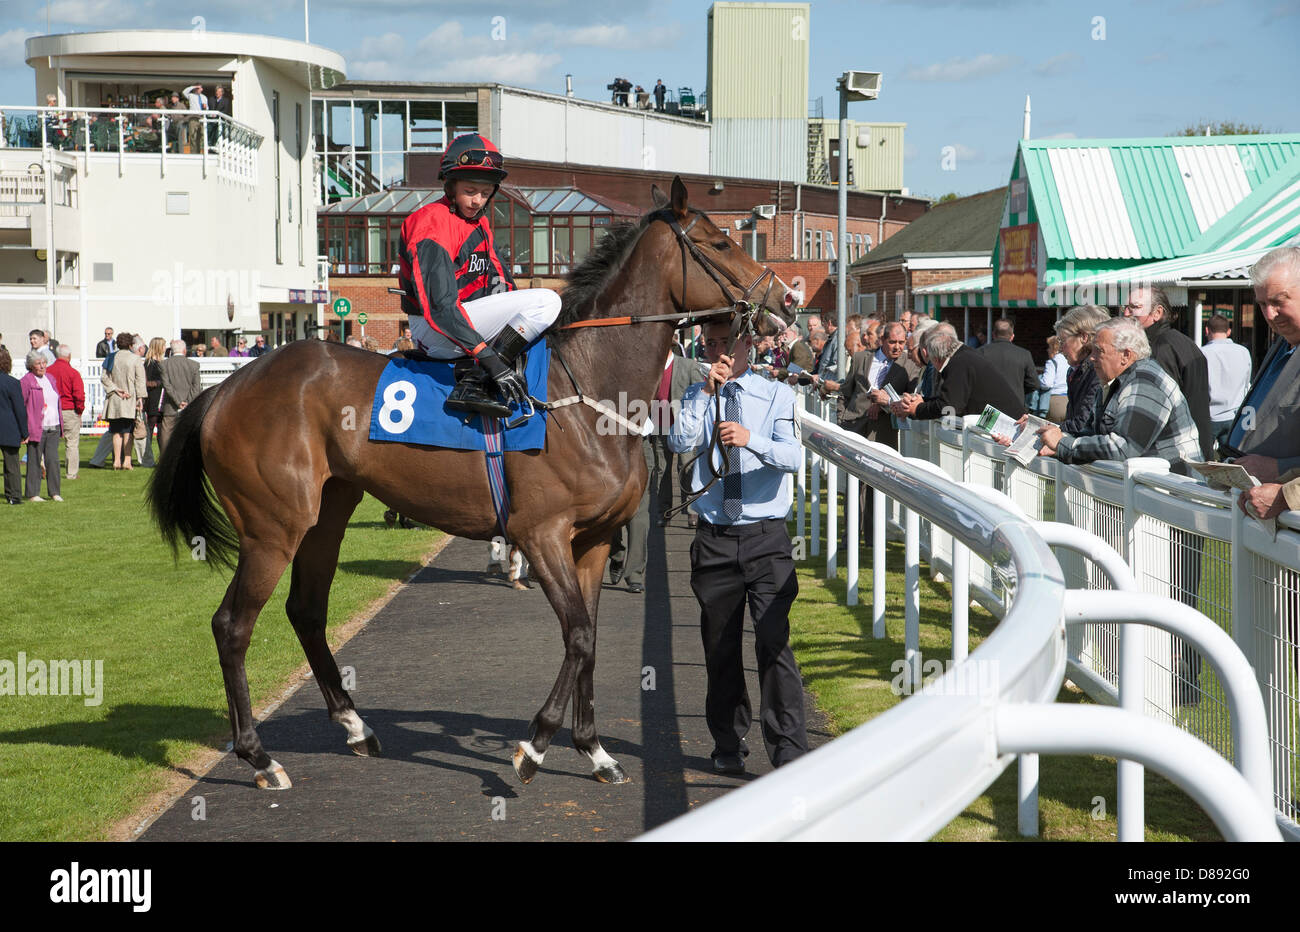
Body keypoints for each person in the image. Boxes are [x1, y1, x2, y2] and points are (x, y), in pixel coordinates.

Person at [668, 319, 807, 775]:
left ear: (746, 343)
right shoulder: (696, 395)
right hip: (715, 538)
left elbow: (794, 458)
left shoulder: (777, 395)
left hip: (766, 537)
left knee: (773, 641)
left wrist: (753, 440)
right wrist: (706, 394)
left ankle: (788, 750)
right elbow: (678, 440)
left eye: (723, 342)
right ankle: (727, 742)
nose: (715, 351)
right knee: (720, 646)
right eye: (708, 344)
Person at [398, 132, 560, 417]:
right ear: (450, 186)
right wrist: (491, 364)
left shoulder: (480, 224)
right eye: (470, 190)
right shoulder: (432, 223)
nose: (477, 200)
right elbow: (441, 310)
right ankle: (476, 382)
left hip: (462, 321)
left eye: (485, 193)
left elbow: (502, 283)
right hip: (435, 328)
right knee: (547, 301)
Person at [1035, 318, 1202, 474]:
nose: (1091, 357)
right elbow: (1095, 434)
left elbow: (1124, 448)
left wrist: (1062, 444)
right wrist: (1057, 438)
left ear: (1126, 355)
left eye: (1099, 351)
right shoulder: (1119, 381)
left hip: (1178, 494)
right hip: (1155, 492)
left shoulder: (1145, 382)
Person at [1226, 245, 1300, 485]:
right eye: (1262, 304)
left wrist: (1280, 469)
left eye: (1278, 301)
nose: (1269, 314)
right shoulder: (1283, 342)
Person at [834, 321, 912, 535]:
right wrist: (841, 418)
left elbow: (911, 397)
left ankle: (871, 536)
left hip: (883, 432)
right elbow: (846, 391)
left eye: (901, 342)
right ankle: (849, 534)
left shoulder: (909, 365)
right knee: (853, 483)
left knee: (876, 485)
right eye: (893, 342)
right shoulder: (861, 358)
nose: (897, 347)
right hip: (854, 427)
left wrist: (884, 404)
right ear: (882, 340)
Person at [1122, 285, 1214, 461]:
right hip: (1193, 447)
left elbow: (1155, 409)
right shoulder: (1182, 343)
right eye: (1125, 308)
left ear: (1157, 313)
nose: (1126, 313)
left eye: (1134, 307)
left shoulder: (1158, 348)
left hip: (1173, 455)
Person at [891, 323, 1027, 422]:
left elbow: (949, 407)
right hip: (999, 420)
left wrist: (917, 409)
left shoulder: (958, 363)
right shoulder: (963, 356)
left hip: (1009, 426)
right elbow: (951, 399)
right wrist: (922, 401)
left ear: (935, 358)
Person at [1054, 305, 1111, 437]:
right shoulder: (1076, 371)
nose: (1060, 349)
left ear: (1084, 338)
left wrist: (1045, 428)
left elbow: (1083, 424)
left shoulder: (1099, 371)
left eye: (1063, 341)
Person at [1200, 314, 1252, 458]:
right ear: (1228, 332)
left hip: (1210, 416)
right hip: (1235, 415)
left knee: (1203, 461)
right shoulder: (1243, 352)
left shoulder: (1202, 353)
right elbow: (1247, 384)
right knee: (1233, 463)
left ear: (1206, 330)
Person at [20, 351, 63, 501]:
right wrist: (24, 430)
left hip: (54, 426)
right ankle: (33, 494)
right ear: (31, 366)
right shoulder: (26, 381)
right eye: (38, 363)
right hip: (37, 427)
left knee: (53, 461)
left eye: (44, 362)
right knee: (34, 461)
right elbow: (21, 405)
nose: (42, 366)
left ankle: (55, 492)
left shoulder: (50, 378)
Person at [101, 332, 145, 470]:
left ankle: (116, 461)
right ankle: (127, 460)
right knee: (128, 431)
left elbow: (104, 378)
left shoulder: (111, 357)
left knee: (116, 431)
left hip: (115, 399)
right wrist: (140, 398)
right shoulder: (135, 359)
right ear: (131, 344)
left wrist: (115, 389)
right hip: (130, 399)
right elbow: (140, 381)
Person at [977, 318, 1038, 408]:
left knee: (988, 423)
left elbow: (973, 379)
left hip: (988, 407)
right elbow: (1034, 383)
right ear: (1012, 336)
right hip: (1015, 406)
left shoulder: (980, 352)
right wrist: (1018, 389)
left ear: (993, 334)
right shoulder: (1024, 354)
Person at [46, 344, 84, 479]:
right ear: (69, 356)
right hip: (68, 409)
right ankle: (71, 473)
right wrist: (79, 411)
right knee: (72, 443)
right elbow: (79, 395)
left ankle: (45, 469)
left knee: (49, 442)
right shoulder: (73, 373)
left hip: (51, 410)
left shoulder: (48, 371)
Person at [158, 339, 201, 454]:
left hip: (170, 406)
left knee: (167, 434)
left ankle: (165, 459)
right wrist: (187, 402)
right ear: (184, 350)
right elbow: (196, 387)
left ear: (172, 351)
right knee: (188, 433)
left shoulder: (164, 364)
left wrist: (178, 402)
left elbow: (167, 386)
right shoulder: (194, 365)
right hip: (190, 406)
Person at [0, 348, 28, 504]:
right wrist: (25, 432)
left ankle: (11, 493)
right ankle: (14, 496)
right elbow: (20, 410)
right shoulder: (12, 383)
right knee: (12, 465)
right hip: (9, 427)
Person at [141, 337, 167, 465]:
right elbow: (146, 383)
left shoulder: (159, 362)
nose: (165, 348)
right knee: (150, 429)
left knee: (160, 430)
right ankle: (147, 458)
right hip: (153, 400)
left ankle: (162, 457)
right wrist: (160, 382)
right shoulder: (150, 363)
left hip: (159, 399)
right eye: (163, 346)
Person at [1037, 335, 1070, 422]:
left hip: (1055, 402)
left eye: (1049, 347)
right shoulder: (1070, 360)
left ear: (1054, 348)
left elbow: (1047, 383)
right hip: (1069, 401)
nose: (1048, 350)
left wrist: (1038, 380)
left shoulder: (1053, 362)